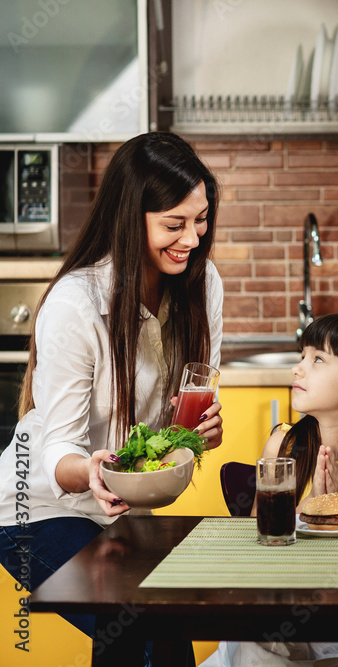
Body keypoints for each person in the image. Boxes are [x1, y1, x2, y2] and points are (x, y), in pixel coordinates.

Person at [0, 132, 224, 642]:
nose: (192, 239)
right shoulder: (75, 304)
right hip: (37, 510)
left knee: (164, 624)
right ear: (130, 217)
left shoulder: (202, 283)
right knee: (134, 626)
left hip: (124, 509)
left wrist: (199, 430)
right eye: (174, 224)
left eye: (201, 219)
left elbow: (194, 399)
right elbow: (59, 452)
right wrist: (93, 471)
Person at [204, 313, 338, 667]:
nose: (298, 368)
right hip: (276, 617)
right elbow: (255, 554)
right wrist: (309, 509)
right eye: (302, 356)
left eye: (318, 359)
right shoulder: (282, 446)